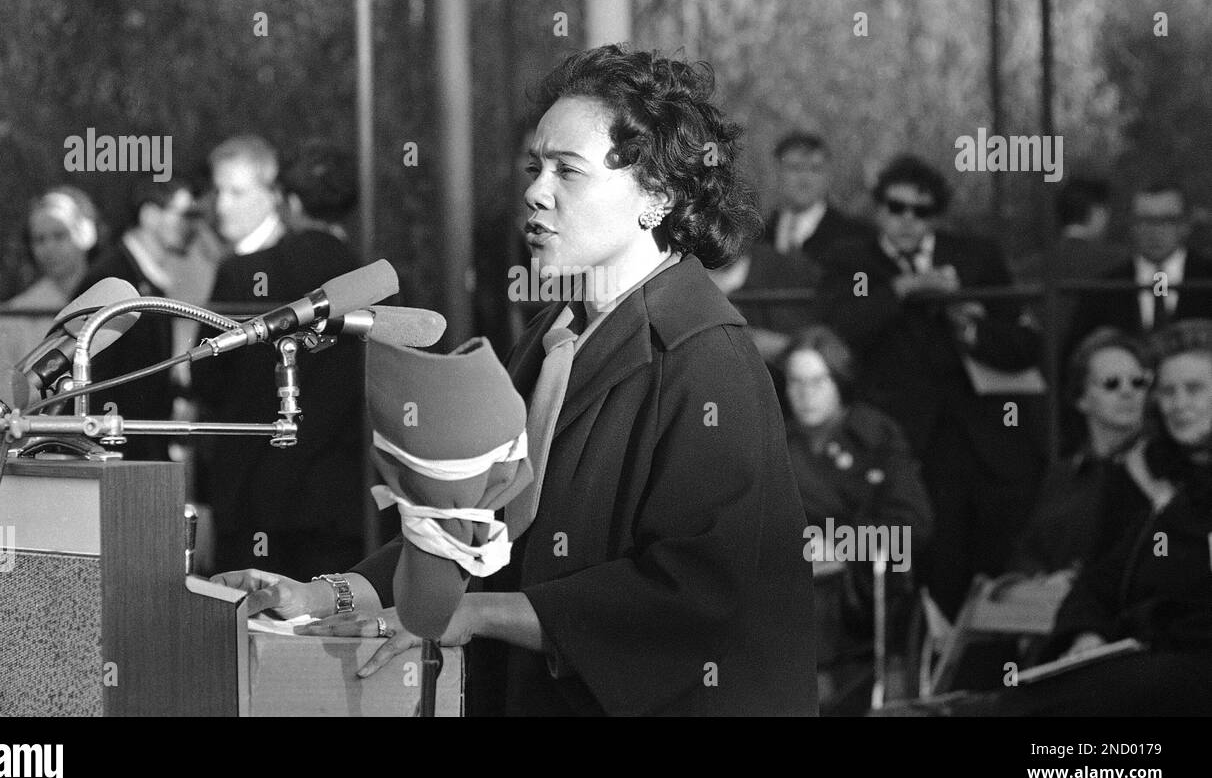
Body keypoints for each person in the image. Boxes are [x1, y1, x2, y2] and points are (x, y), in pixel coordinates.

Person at [216, 45, 819, 716]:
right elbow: (470, 524)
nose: (535, 191)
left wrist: (480, 614)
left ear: (657, 196)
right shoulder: (549, 337)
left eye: (569, 171)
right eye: (536, 167)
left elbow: (695, 591)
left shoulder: (708, 357)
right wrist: (328, 596)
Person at [818, 155, 1045, 617]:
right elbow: (844, 326)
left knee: (973, 559)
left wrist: (967, 326)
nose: (906, 220)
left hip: (974, 438)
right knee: (897, 561)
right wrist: (905, 289)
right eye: (895, 207)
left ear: (936, 216)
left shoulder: (975, 257)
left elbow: (1024, 342)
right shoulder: (854, 261)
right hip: (890, 436)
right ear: (878, 209)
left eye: (920, 212)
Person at [969, 319, 1212, 716]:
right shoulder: (1151, 478)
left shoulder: (1161, 490)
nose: (1178, 404)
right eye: (1168, 391)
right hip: (1136, 666)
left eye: (1195, 389)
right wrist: (1086, 633)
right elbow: (1102, 577)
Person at [190, 134, 365, 582]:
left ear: (286, 201)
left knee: (246, 632)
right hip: (339, 500)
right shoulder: (375, 281)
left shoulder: (241, 273)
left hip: (251, 494)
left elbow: (206, 381)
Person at [778, 325, 932, 712]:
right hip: (786, 594)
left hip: (861, 602)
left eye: (818, 381)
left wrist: (840, 546)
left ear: (838, 380)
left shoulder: (875, 437)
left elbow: (913, 527)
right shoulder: (776, 441)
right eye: (796, 381)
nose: (805, 393)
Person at [712, 131, 873, 363]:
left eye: (815, 169)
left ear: (829, 175)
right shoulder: (754, 234)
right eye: (795, 168)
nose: (804, 178)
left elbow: (861, 302)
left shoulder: (857, 237)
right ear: (777, 172)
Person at [74, 178, 202, 460]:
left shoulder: (141, 277)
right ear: (149, 215)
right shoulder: (111, 279)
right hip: (114, 450)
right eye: (186, 215)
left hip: (135, 445)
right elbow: (93, 378)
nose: (194, 226)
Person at [1009, 328, 1151, 575]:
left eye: (1138, 382)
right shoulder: (1063, 476)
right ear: (1081, 398)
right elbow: (1029, 554)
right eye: (1111, 383)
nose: (1128, 392)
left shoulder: (1161, 469)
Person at [0, 187, 100, 411]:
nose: (49, 248)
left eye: (59, 235)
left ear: (88, 234)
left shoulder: (112, 303)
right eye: (39, 239)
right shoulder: (15, 313)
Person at [1065, 180, 1212, 354]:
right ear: (1132, 225)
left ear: (1185, 224)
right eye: (1145, 220)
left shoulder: (1206, 278)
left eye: (1167, 220)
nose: (1155, 230)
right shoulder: (1102, 290)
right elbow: (1075, 359)